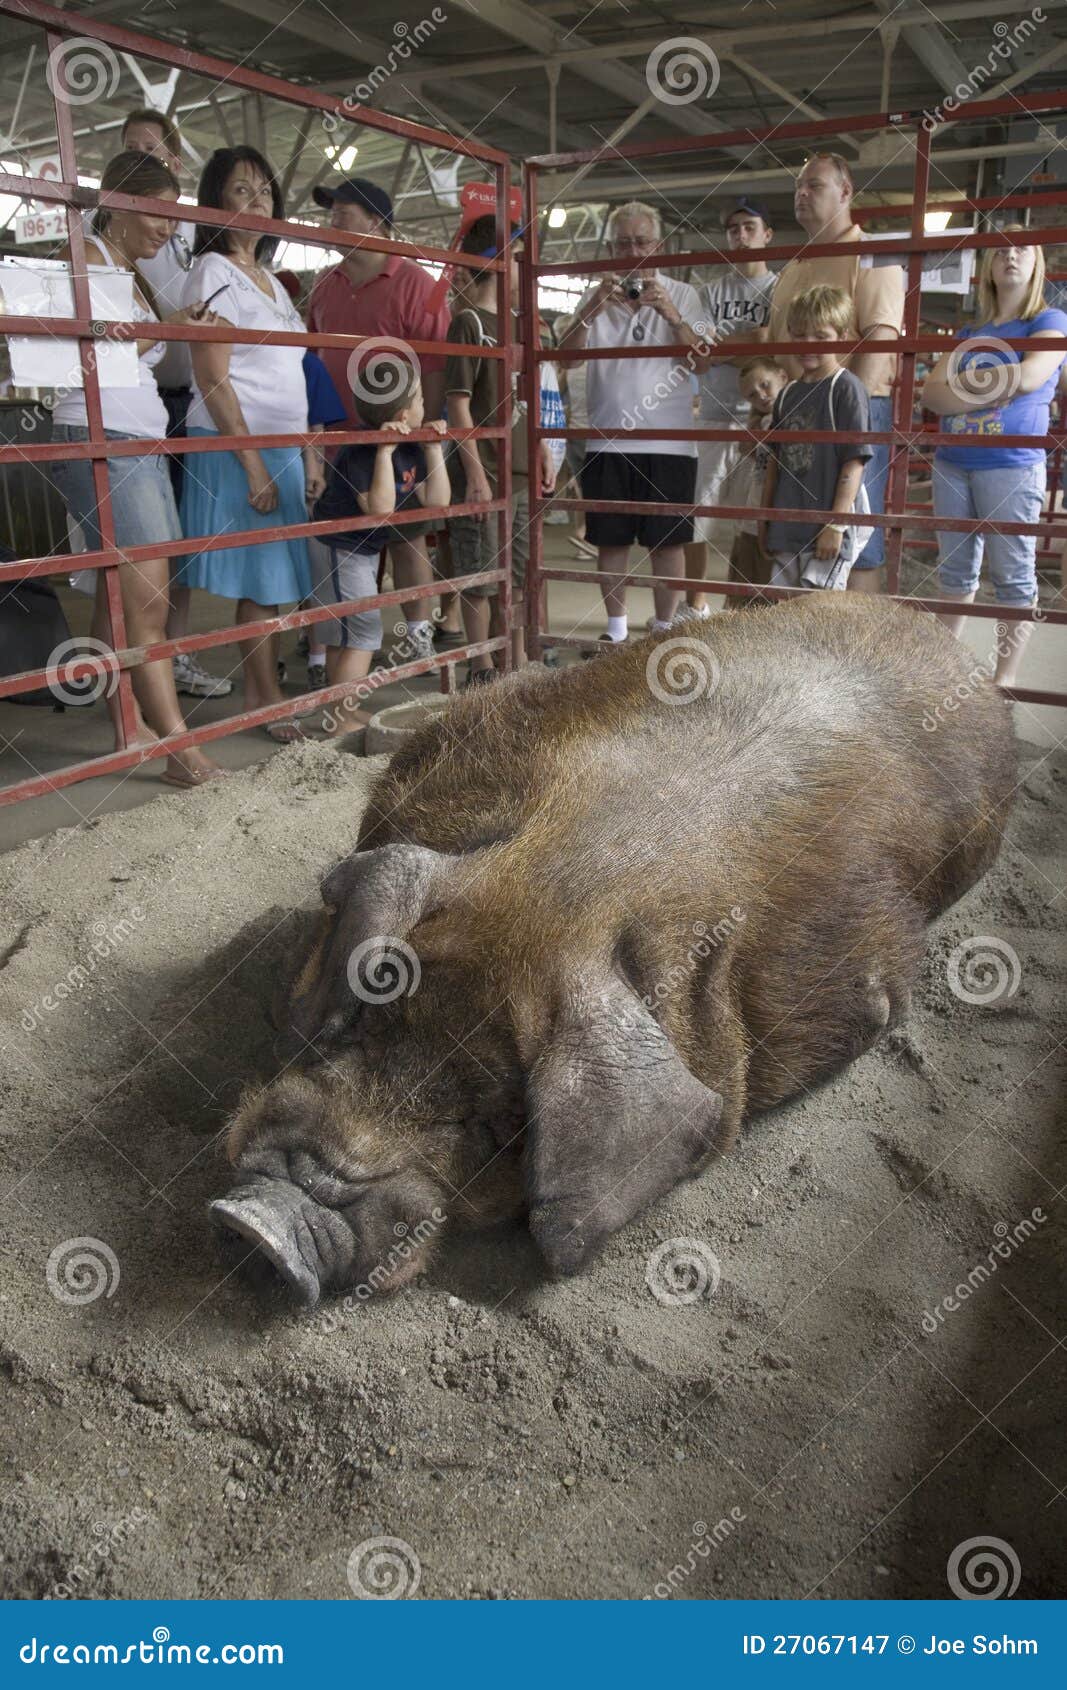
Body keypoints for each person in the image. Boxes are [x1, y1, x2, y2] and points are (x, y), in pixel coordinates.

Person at [48, 149, 227, 787]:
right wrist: (163, 327)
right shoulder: (83, 258)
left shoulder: (128, 271)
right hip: (104, 436)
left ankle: (128, 727)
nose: (169, 230)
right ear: (121, 201)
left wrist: (169, 327)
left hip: (135, 439)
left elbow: (125, 346)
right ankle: (181, 749)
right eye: (159, 214)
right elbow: (83, 336)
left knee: (123, 601)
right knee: (147, 602)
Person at [177, 146, 318, 744]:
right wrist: (254, 464)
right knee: (266, 579)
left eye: (265, 191)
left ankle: (264, 689)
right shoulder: (213, 272)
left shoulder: (272, 285)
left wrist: (307, 451)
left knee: (282, 579)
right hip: (239, 443)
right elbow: (212, 378)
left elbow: (294, 376)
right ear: (216, 204)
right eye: (241, 191)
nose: (257, 201)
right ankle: (263, 696)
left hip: (280, 444)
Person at [307, 177, 452, 663]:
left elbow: (433, 367)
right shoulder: (325, 285)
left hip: (397, 435)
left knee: (408, 535)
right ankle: (324, 643)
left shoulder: (416, 285)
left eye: (343, 212)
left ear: (375, 221)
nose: (332, 222)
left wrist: (425, 430)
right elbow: (310, 356)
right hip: (337, 438)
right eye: (331, 213)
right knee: (333, 535)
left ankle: (417, 633)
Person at [557, 202, 712, 648]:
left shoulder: (683, 294)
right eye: (623, 242)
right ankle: (617, 629)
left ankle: (664, 627)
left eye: (641, 241)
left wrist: (673, 317)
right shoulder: (595, 298)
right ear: (610, 247)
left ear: (658, 246)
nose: (633, 250)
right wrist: (589, 311)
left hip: (670, 441)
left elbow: (704, 362)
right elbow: (564, 360)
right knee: (611, 540)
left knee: (668, 542)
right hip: (608, 439)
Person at [119, 106, 232, 702]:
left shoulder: (186, 229)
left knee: (172, 542)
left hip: (183, 399)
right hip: (132, 402)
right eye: (131, 148)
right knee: (134, 555)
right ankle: (129, 682)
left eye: (153, 149)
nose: (143, 155)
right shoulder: (111, 241)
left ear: (175, 159)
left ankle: (172, 659)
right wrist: (169, 327)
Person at [922, 231, 1067, 685]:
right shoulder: (969, 332)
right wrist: (996, 383)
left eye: (1022, 247)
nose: (1010, 255)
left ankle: (1003, 680)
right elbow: (931, 395)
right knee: (955, 573)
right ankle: (946, 670)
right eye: (1001, 249)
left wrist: (960, 392)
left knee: (1013, 577)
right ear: (987, 266)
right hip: (953, 462)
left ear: (1037, 259)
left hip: (1011, 462)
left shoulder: (1051, 319)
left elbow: (1031, 377)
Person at [767, 153, 904, 593]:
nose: (801, 193)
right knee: (799, 528)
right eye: (797, 187)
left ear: (846, 193)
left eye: (815, 185)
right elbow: (776, 345)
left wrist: (850, 413)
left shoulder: (873, 258)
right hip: (798, 408)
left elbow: (879, 344)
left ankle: (857, 651)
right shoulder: (792, 268)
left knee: (854, 533)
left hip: (851, 408)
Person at [444, 215, 559, 681]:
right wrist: (473, 473)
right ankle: (481, 664)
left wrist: (544, 450)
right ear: (494, 262)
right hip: (486, 471)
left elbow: (526, 400)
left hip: (519, 470)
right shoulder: (468, 323)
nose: (521, 267)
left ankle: (511, 658)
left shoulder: (518, 325)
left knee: (515, 573)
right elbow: (458, 404)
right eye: (515, 257)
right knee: (480, 574)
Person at [309, 371, 449, 737]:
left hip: (361, 549)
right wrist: (385, 451)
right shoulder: (361, 449)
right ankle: (338, 719)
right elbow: (380, 508)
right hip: (339, 548)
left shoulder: (414, 446)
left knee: (348, 633)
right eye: (419, 400)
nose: (425, 406)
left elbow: (436, 502)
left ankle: (340, 711)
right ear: (404, 415)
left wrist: (435, 449)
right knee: (363, 632)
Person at [687, 199, 778, 614]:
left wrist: (726, 348)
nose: (740, 235)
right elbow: (700, 355)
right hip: (711, 414)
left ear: (767, 235)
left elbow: (771, 345)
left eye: (749, 227)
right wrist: (748, 346)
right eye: (733, 229)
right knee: (696, 517)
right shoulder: (709, 292)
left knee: (752, 521)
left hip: (759, 419)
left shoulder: (779, 286)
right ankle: (697, 604)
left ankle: (746, 606)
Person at [758, 287, 873, 593]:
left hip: (826, 527)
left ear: (841, 336)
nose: (808, 345)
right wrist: (765, 517)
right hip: (787, 524)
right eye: (799, 335)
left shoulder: (845, 389)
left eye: (820, 337)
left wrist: (836, 524)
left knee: (819, 616)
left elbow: (855, 460)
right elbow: (775, 461)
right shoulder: (787, 394)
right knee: (785, 614)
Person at [718, 356, 788, 606]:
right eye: (751, 395)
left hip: (771, 517)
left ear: (783, 376)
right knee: (747, 587)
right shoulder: (760, 424)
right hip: (752, 515)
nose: (761, 395)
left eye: (765, 385)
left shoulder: (786, 419)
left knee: (766, 589)